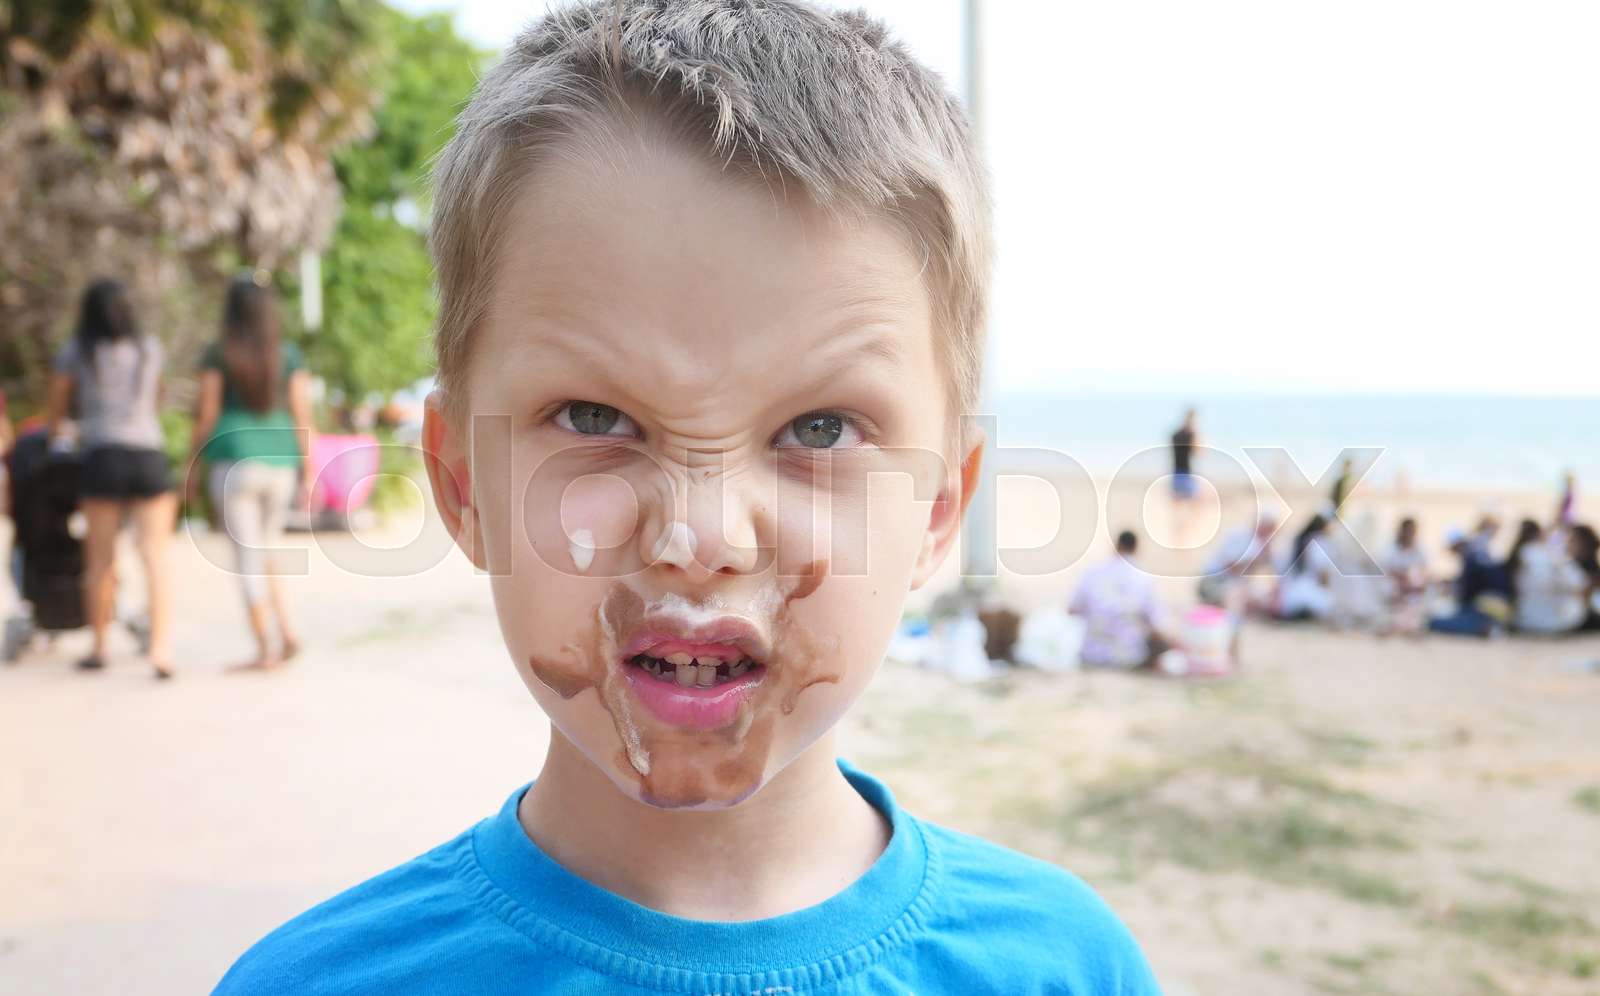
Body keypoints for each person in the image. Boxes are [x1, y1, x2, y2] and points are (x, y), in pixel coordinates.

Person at [215, 3, 1159, 994]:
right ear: (462, 482)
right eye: (591, 416)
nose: (700, 537)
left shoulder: (1066, 969)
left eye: (820, 430)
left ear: (934, 507)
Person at [44, 279, 175, 678]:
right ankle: (160, 649)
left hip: (103, 456)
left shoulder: (77, 351)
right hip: (148, 454)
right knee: (155, 556)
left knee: (100, 559)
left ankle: (100, 646)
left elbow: (56, 414)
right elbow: (156, 400)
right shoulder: (149, 348)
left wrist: (61, 437)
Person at [186, 276, 315, 670]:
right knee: (268, 549)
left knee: (247, 557)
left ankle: (264, 649)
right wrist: (309, 468)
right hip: (281, 461)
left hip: (235, 459)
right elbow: (302, 413)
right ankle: (287, 631)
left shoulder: (218, 353)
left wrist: (189, 468)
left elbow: (206, 414)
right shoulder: (288, 354)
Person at [1069, 530, 1169, 669]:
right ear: (1136, 548)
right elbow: (1156, 622)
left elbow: (1071, 610)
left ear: (1116, 546)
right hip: (1128, 657)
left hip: (1091, 654)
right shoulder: (1143, 578)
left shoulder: (1092, 572)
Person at [1274, 514, 1335, 621]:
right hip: (1309, 590)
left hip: (1290, 592)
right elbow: (1322, 571)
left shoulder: (1299, 540)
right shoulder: (1318, 542)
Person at [1380, 517, 1429, 635]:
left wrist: (1414, 583)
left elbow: (1423, 571)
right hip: (1395, 585)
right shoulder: (1390, 547)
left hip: (1412, 587)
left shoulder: (1420, 549)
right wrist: (1403, 582)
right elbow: (1388, 570)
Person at [1170, 407, 1199, 503]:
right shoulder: (1190, 434)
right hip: (1186, 471)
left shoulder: (1175, 434)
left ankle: (1179, 517)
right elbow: (1199, 451)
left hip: (1176, 470)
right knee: (1192, 499)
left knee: (1178, 499)